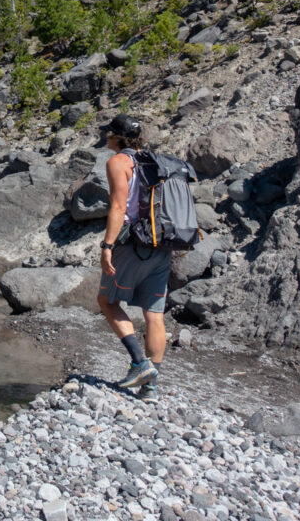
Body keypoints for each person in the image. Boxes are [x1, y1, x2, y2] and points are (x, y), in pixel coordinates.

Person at [96, 114, 171, 403]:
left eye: (109, 134)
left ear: (118, 137)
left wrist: (107, 245)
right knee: (154, 314)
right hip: (163, 242)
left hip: (134, 242)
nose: (106, 138)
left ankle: (140, 363)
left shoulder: (118, 162)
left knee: (107, 301)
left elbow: (118, 207)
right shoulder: (157, 161)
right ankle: (150, 388)